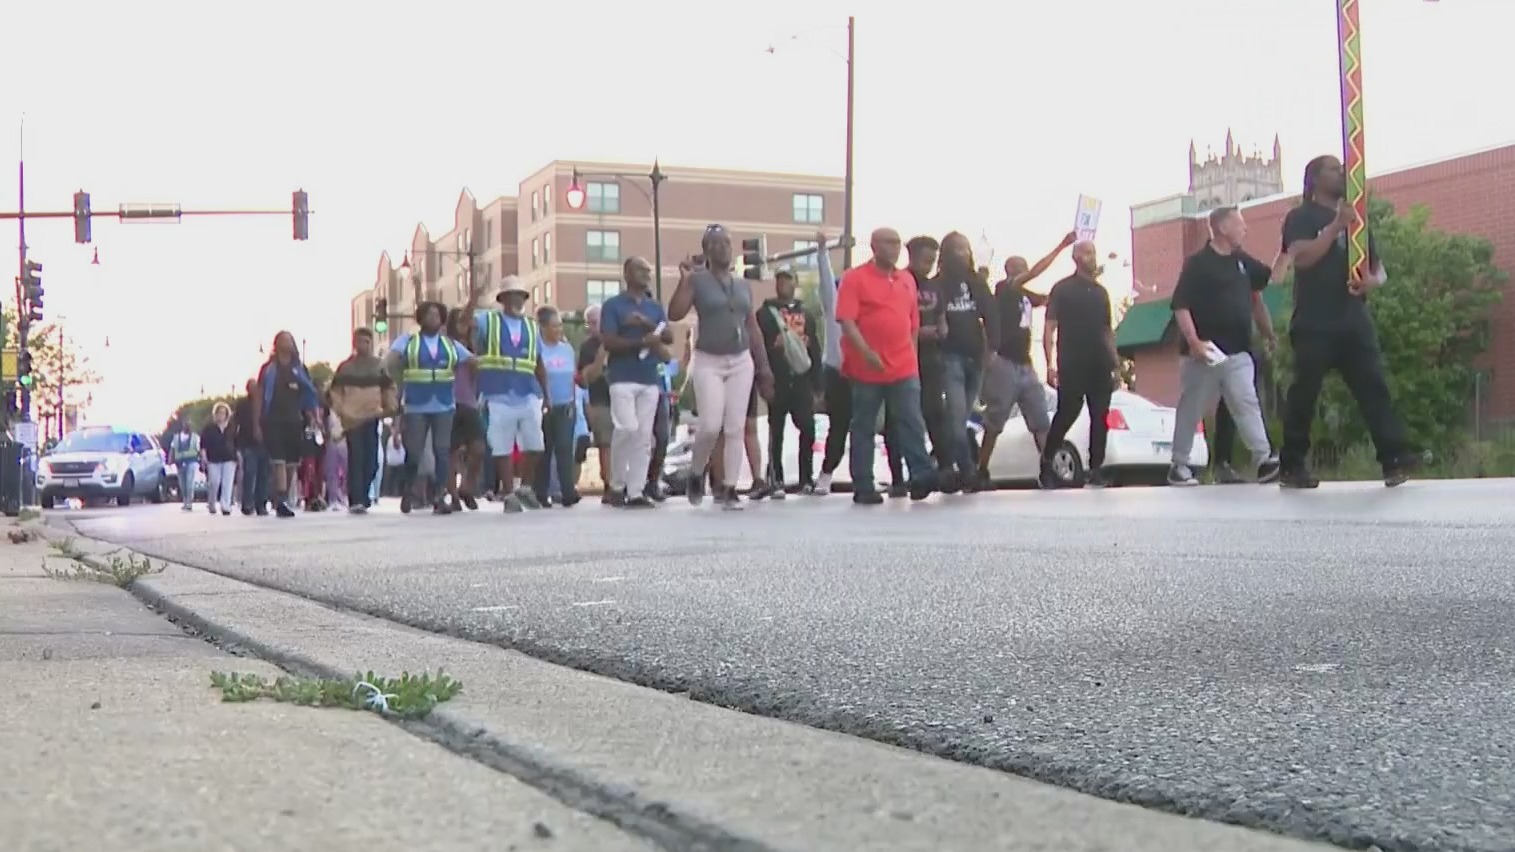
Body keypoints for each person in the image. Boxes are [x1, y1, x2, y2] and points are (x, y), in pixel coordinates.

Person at [1279, 154, 1417, 488]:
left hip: (1353, 320)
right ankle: (1293, 465)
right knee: (1304, 395)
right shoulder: (1300, 216)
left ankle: (1394, 460)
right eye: (1333, 169)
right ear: (1313, 179)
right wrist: (1334, 228)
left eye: (1343, 169)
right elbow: (1303, 258)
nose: (1342, 173)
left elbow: (1378, 268)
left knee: (1374, 387)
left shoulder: (1358, 220)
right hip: (1314, 322)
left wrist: (1373, 281)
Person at [1164, 206, 1285, 486]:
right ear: (1222, 228)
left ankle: (1264, 459)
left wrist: (1286, 250)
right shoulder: (1197, 264)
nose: (1245, 229)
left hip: (1238, 350)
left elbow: (1265, 287)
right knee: (1192, 406)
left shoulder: (1242, 261)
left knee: (1246, 401)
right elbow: (1180, 306)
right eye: (1240, 223)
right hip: (1204, 353)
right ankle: (1179, 465)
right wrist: (1193, 341)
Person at [670, 225, 775, 509]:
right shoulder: (697, 281)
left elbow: (751, 326)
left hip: (741, 360)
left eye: (727, 243)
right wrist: (684, 280)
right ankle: (696, 471)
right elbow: (675, 312)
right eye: (716, 244)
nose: (723, 249)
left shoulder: (742, 285)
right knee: (710, 426)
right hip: (709, 360)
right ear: (705, 251)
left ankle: (729, 487)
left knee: (735, 426)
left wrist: (763, 367)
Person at [835, 228, 936, 504]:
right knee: (864, 424)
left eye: (897, 243)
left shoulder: (906, 280)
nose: (894, 248)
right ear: (874, 246)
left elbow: (913, 324)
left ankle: (921, 475)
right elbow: (846, 320)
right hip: (867, 368)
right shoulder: (854, 278)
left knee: (911, 421)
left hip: (903, 366)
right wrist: (865, 352)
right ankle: (863, 484)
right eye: (889, 243)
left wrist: (913, 359)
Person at [975, 232, 1077, 486]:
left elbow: (1049, 299)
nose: (1024, 272)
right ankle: (980, 468)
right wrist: (1061, 246)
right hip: (1005, 362)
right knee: (996, 420)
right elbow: (1034, 274)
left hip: (1026, 364)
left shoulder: (1024, 295)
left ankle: (1048, 467)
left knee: (1040, 420)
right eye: (1019, 269)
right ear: (1010, 271)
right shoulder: (1004, 288)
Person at [1040, 241, 1120, 489]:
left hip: (1099, 363)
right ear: (1075, 258)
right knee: (1068, 412)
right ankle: (1046, 463)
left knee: (1100, 415)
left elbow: (1107, 330)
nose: (1091, 257)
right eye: (1086, 253)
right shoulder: (1062, 289)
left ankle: (1096, 469)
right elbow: (1050, 326)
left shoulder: (1100, 293)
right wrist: (1050, 363)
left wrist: (1116, 364)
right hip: (1072, 360)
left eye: (1094, 252)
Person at [601, 256, 674, 508]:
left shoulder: (654, 307)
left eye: (648, 270)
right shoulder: (613, 306)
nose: (646, 273)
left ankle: (636, 491)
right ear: (627, 274)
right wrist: (641, 342)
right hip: (621, 377)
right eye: (640, 270)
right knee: (626, 428)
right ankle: (617, 485)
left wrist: (647, 325)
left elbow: (668, 336)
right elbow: (609, 342)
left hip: (649, 378)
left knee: (644, 435)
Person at [387, 301, 473, 515]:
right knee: (414, 453)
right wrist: (397, 381)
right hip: (417, 403)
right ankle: (408, 491)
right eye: (429, 314)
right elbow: (391, 360)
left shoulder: (450, 344)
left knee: (442, 451)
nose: (433, 318)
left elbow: (472, 361)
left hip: (444, 404)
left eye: (437, 314)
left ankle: (439, 496)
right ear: (421, 318)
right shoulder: (408, 340)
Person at [473, 277, 547, 513]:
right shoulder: (488, 321)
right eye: (511, 295)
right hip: (497, 391)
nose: (516, 299)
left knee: (535, 444)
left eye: (520, 295)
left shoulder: (532, 326)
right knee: (501, 446)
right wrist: (472, 300)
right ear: (502, 299)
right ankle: (508, 493)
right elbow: (465, 325)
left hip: (528, 391)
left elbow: (538, 362)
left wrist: (548, 395)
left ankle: (525, 487)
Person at [933, 232, 1000, 493]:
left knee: (962, 418)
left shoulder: (976, 282)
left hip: (976, 357)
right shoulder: (938, 283)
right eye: (957, 248)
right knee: (956, 417)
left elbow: (991, 314)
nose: (962, 253)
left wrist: (992, 348)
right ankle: (968, 471)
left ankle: (954, 469)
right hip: (950, 357)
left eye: (965, 248)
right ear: (946, 252)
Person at [756, 267, 823, 494]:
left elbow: (815, 347)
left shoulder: (807, 314)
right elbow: (757, 347)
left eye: (788, 280)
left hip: (802, 378)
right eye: (780, 279)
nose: (783, 284)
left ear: (795, 283)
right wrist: (763, 379)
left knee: (808, 427)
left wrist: (818, 385)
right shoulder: (765, 313)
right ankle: (775, 478)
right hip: (777, 377)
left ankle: (806, 477)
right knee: (776, 429)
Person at [252, 330, 321, 518]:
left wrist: (314, 416)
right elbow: (259, 395)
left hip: (295, 421)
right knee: (279, 461)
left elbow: (309, 394)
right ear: (276, 344)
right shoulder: (268, 370)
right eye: (282, 340)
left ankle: (278, 495)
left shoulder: (299, 369)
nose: (286, 343)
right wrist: (257, 423)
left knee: (291, 463)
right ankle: (281, 500)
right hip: (273, 420)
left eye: (289, 340)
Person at [329, 327, 393, 514]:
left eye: (366, 341)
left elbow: (388, 387)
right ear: (354, 344)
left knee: (372, 460)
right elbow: (335, 391)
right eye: (359, 341)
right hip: (352, 418)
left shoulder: (379, 365)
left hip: (372, 416)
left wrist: (390, 407)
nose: (362, 345)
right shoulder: (345, 367)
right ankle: (356, 498)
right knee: (356, 457)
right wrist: (341, 410)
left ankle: (364, 494)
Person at [903, 236, 949, 488]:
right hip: (907, 357)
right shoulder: (901, 282)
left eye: (933, 260)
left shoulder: (935, 287)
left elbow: (941, 315)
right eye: (925, 260)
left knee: (935, 412)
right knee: (909, 415)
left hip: (932, 358)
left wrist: (941, 328)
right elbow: (897, 324)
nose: (929, 265)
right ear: (911, 255)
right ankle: (909, 473)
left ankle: (945, 467)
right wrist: (921, 333)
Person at [533, 305, 581, 507]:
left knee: (564, 448)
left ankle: (568, 492)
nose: (559, 330)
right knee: (544, 450)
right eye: (554, 326)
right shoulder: (537, 349)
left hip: (565, 405)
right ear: (542, 327)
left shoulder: (567, 349)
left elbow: (572, 376)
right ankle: (541, 493)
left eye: (560, 326)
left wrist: (573, 401)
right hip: (543, 405)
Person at [446, 308, 487, 511]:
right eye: (461, 321)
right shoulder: (446, 345)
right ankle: (453, 495)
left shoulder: (473, 345)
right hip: (449, 402)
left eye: (468, 321)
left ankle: (467, 487)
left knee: (478, 448)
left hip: (470, 402)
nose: (466, 324)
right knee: (451, 451)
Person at [575, 304, 615, 502]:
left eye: (595, 322)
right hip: (599, 400)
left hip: (622, 397)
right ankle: (609, 485)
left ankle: (630, 484)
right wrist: (600, 360)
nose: (591, 327)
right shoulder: (587, 347)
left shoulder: (619, 339)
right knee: (605, 444)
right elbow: (583, 378)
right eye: (588, 323)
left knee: (626, 442)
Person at [232, 379, 268, 516]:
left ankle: (261, 504)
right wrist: (234, 441)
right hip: (248, 443)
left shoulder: (265, 402)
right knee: (249, 474)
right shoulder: (242, 404)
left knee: (263, 475)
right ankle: (247, 504)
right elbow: (236, 421)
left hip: (265, 443)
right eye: (251, 387)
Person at [200, 403, 237, 516]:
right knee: (214, 482)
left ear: (227, 414)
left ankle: (225, 506)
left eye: (223, 413)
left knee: (227, 483)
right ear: (215, 414)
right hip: (213, 458)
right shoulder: (209, 428)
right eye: (219, 413)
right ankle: (211, 502)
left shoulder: (232, 427)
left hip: (229, 458)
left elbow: (236, 442)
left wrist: (238, 456)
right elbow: (203, 444)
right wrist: (204, 457)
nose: (221, 415)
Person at [383, 425, 406, 497]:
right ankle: (389, 492)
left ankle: (395, 492)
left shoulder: (398, 437)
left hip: (398, 462)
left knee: (396, 479)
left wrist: (395, 436)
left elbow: (397, 445)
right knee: (392, 479)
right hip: (391, 462)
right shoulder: (389, 438)